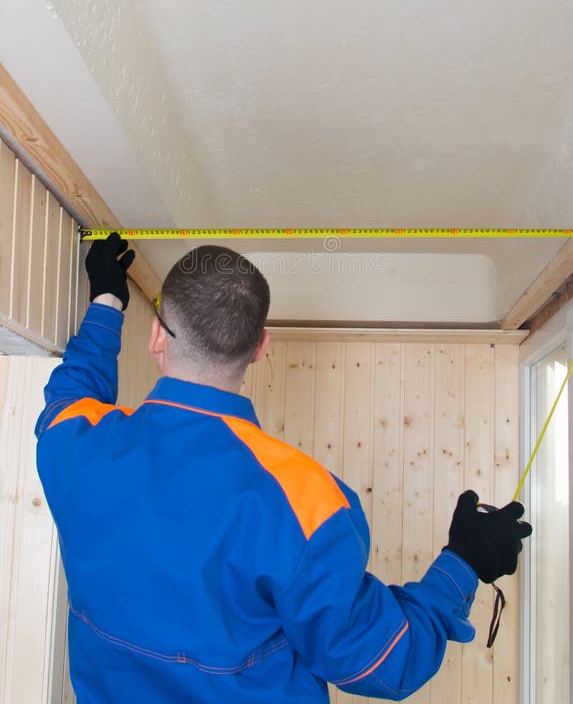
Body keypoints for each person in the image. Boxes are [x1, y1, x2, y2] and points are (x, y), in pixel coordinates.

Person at [35, 233, 532, 703]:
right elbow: (384, 659)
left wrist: (106, 301)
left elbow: (68, 395)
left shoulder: (76, 444)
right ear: (261, 347)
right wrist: (464, 563)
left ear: (156, 338)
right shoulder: (305, 502)